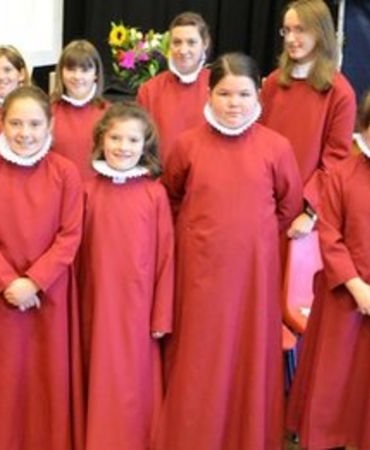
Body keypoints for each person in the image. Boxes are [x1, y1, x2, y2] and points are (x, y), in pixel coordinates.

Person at [153, 53, 303, 450]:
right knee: (198, 353)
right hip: (199, 271)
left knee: (247, 352)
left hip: (253, 273)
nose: (233, 103)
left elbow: (289, 206)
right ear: (209, 93)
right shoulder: (187, 145)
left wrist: (252, 239)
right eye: (224, 93)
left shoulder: (277, 147)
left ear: (259, 97)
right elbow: (170, 197)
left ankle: (244, 434)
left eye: (243, 94)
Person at [286, 85, 370, 450]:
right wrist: (358, 288)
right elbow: (329, 236)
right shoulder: (341, 176)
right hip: (345, 302)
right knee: (338, 387)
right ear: (363, 127)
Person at [0, 86, 85, 450]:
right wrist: (9, 282)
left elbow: (70, 235)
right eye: (15, 123)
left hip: (49, 296)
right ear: (1, 124)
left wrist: (34, 282)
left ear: (50, 126)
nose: (25, 132)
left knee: (43, 383)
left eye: (34, 123)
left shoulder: (66, 173)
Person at [78, 102, 174, 450]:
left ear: (145, 146)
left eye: (132, 140)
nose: (122, 147)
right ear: (101, 140)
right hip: (94, 304)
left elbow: (165, 257)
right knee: (95, 376)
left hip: (138, 309)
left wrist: (161, 313)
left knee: (133, 382)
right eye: (115, 138)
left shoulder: (154, 194)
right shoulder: (87, 190)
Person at [261, 0, 357, 236]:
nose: (291, 39)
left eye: (300, 30)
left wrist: (311, 211)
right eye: (287, 30)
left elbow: (335, 160)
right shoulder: (274, 83)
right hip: (264, 202)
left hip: (302, 214)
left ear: (320, 32)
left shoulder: (340, 92)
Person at [136, 11, 211, 160]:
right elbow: (139, 142)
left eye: (191, 42)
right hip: (160, 179)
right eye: (177, 42)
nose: (183, 50)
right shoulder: (149, 90)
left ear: (205, 43)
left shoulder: (218, 86)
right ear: (169, 45)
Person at [51, 39, 109, 180]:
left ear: (96, 74)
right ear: (61, 72)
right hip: (58, 193)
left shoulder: (110, 114)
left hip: (96, 195)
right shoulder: (47, 111)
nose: (77, 76)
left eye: (85, 70)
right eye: (71, 69)